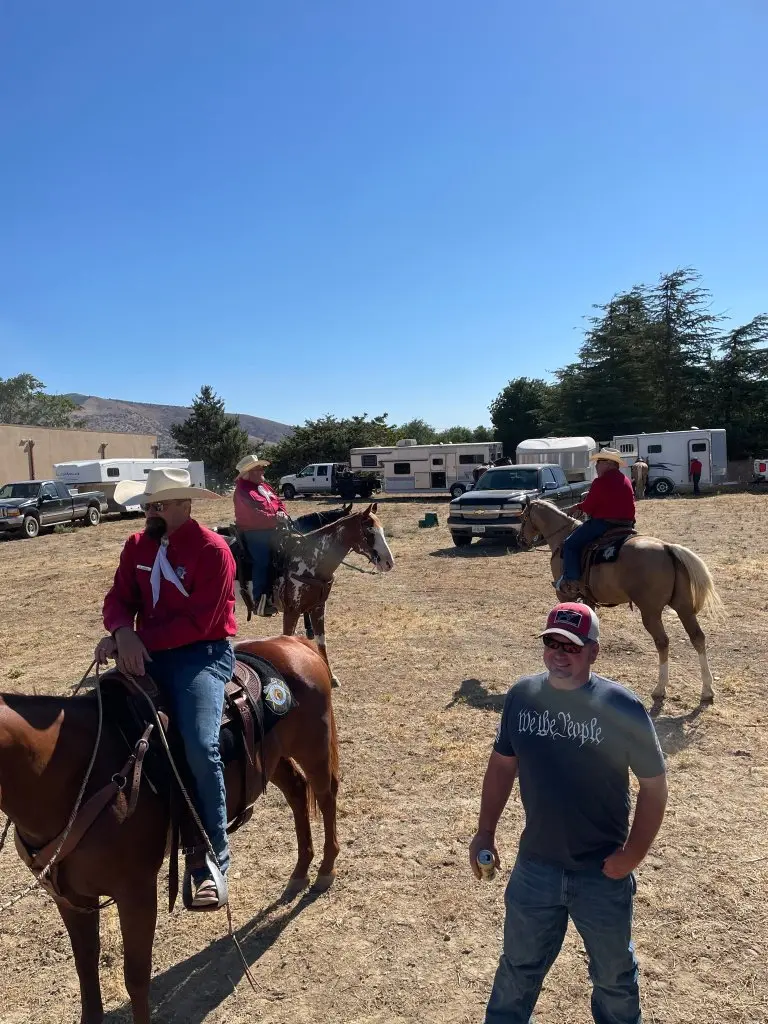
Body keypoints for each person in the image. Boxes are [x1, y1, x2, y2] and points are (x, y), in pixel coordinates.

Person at [470, 602, 668, 1024]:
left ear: (594, 651)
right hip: (535, 867)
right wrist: (485, 831)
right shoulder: (523, 697)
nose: (560, 654)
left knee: (614, 976)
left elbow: (654, 786)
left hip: (601, 872)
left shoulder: (621, 707)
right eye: (552, 644)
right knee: (517, 969)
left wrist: (632, 855)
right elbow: (503, 763)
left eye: (573, 647)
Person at [94, 467, 237, 909]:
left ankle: (213, 858)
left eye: (157, 505)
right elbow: (119, 598)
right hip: (145, 653)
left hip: (201, 656)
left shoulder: (213, 551)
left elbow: (202, 623)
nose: (148, 511)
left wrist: (134, 640)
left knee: (197, 743)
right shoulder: (137, 546)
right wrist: (120, 629)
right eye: (147, 504)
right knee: (98, 721)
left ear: (183, 506)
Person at [556, 448, 636, 598]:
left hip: (604, 524)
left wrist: (577, 507)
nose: (596, 466)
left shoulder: (601, 481)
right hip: (627, 525)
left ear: (609, 463)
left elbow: (590, 506)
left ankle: (572, 581)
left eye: (598, 462)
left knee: (570, 544)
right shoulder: (625, 479)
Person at [233, 454, 289, 616]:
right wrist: (275, 519)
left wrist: (282, 513)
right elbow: (253, 515)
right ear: (248, 473)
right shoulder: (242, 491)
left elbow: (278, 502)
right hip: (254, 532)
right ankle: (259, 600)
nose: (263, 470)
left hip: (274, 527)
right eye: (259, 468)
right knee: (262, 560)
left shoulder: (265, 486)